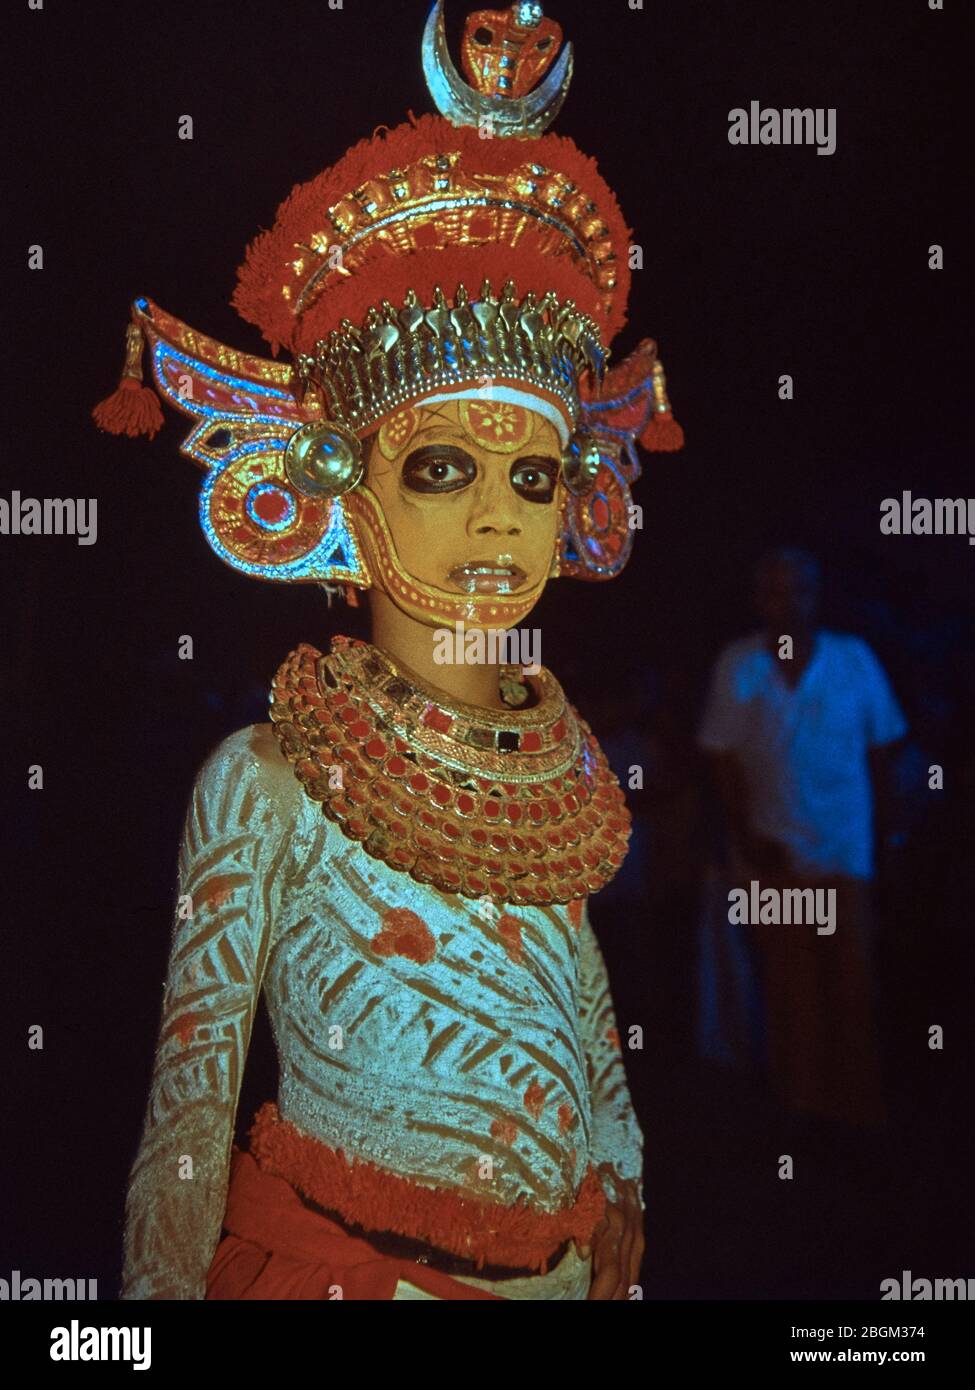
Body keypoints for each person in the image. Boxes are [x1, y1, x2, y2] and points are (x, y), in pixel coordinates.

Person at [94, 1, 683, 1300]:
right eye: (440, 466)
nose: (495, 515)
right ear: (335, 496)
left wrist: (623, 1206)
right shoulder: (265, 781)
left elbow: (588, 1045)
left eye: (532, 475)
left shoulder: (550, 765)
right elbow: (186, 1129)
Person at [697, 548, 907, 1126]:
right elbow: (723, 761)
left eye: (801, 590)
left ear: (818, 596)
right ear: (760, 597)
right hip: (775, 853)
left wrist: (889, 838)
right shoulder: (739, 663)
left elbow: (886, 748)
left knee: (852, 986)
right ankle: (803, 1111)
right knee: (792, 990)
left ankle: (858, 1108)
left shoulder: (853, 660)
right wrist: (745, 837)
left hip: (846, 853)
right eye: (777, 590)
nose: (789, 602)